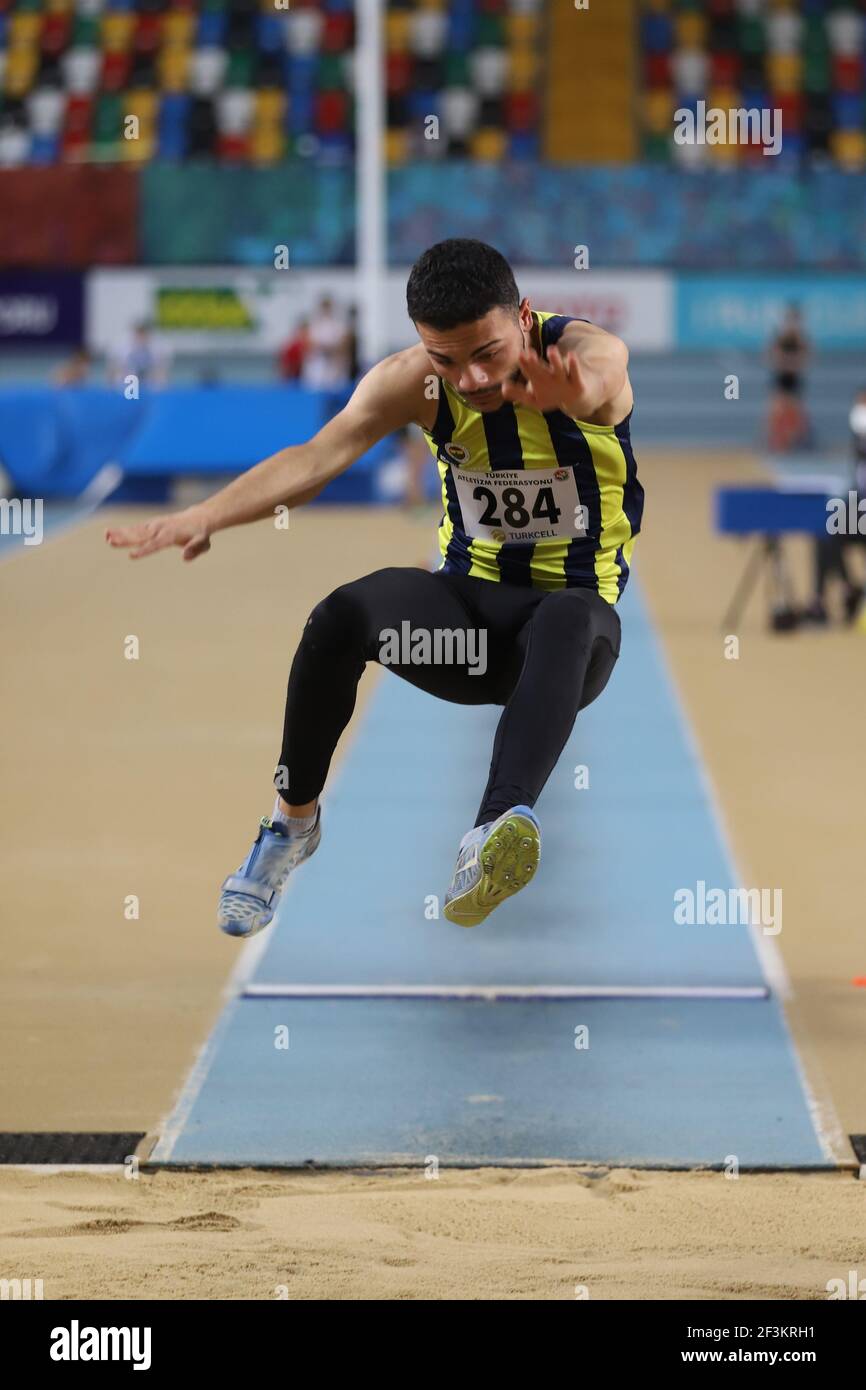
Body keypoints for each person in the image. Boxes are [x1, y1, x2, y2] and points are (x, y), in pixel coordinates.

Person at [105, 239, 643, 934]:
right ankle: (290, 826)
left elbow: (603, 382)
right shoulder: (413, 381)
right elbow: (315, 457)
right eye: (446, 360)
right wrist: (206, 514)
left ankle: (491, 836)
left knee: (567, 616)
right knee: (340, 614)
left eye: (487, 352)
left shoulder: (585, 353)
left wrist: (576, 395)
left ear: (525, 316)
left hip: (568, 647)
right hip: (465, 634)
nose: (470, 379)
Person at [766, 303, 811, 452]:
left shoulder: (801, 337)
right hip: (781, 377)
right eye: (790, 319)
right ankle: (775, 440)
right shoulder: (780, 336)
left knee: (795, 411)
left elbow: (806, 357)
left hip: (794, 378)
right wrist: (788, 362)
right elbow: (772, 356)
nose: (792, 323)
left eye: (795, 320)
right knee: (776, 409)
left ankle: (793, 440)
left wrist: (792, 362)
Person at [300, 295, 350, 391]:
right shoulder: (314, 325)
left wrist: (331, 349)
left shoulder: (339, 325)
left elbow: (344, 345)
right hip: (317, 366)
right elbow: (308, 344)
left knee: (334, 389)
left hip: (333, 366)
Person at [108, 321, 170, 389]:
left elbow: (162, 371)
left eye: (144, 335)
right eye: (139, 335)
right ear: (134, 335)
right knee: (119, 375)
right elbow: (113, 371)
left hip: (149, 381)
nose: (141, 338)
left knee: (160, 376)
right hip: (129, 382)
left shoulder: (157, 350)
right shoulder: (123, 349)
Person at [277, 316, 309, 382]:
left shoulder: (310, 347)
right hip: (293, 380)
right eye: (302, 331)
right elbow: (285, 366)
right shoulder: (293, 346)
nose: (304, 334)